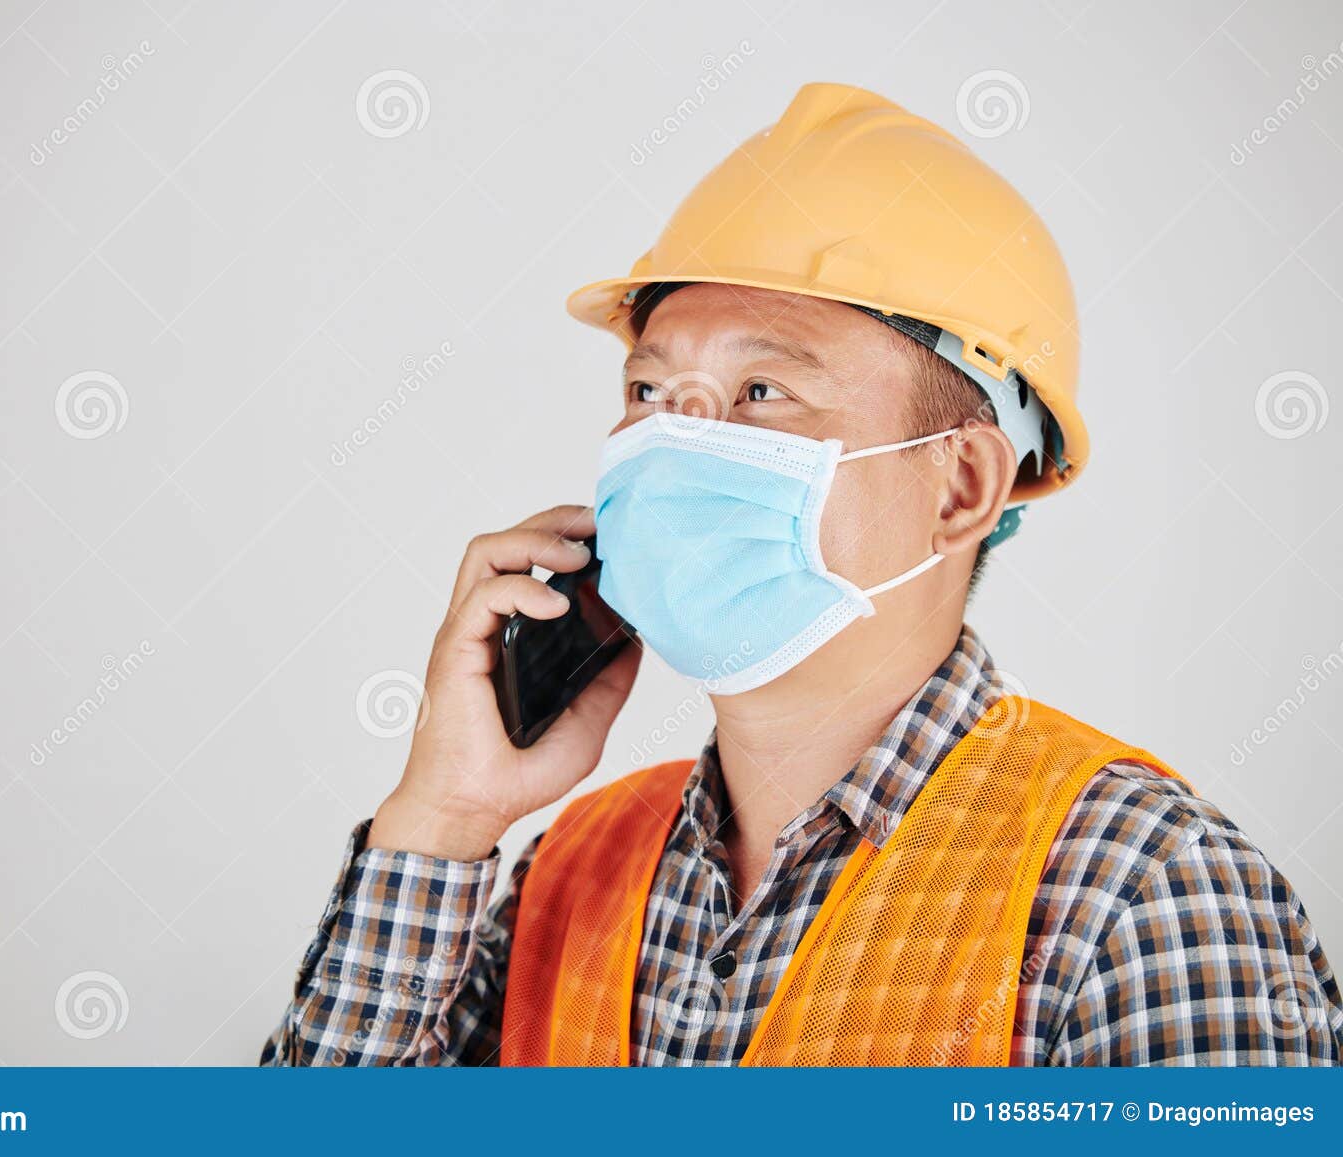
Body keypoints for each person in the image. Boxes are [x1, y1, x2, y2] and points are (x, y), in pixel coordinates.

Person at [263, 83, 1343, 1066]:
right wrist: (443, 818)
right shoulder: (564, 870)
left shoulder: (1137, 892)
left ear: (962, 485)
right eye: (649, 392)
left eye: (761, 393)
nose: (671, 445)